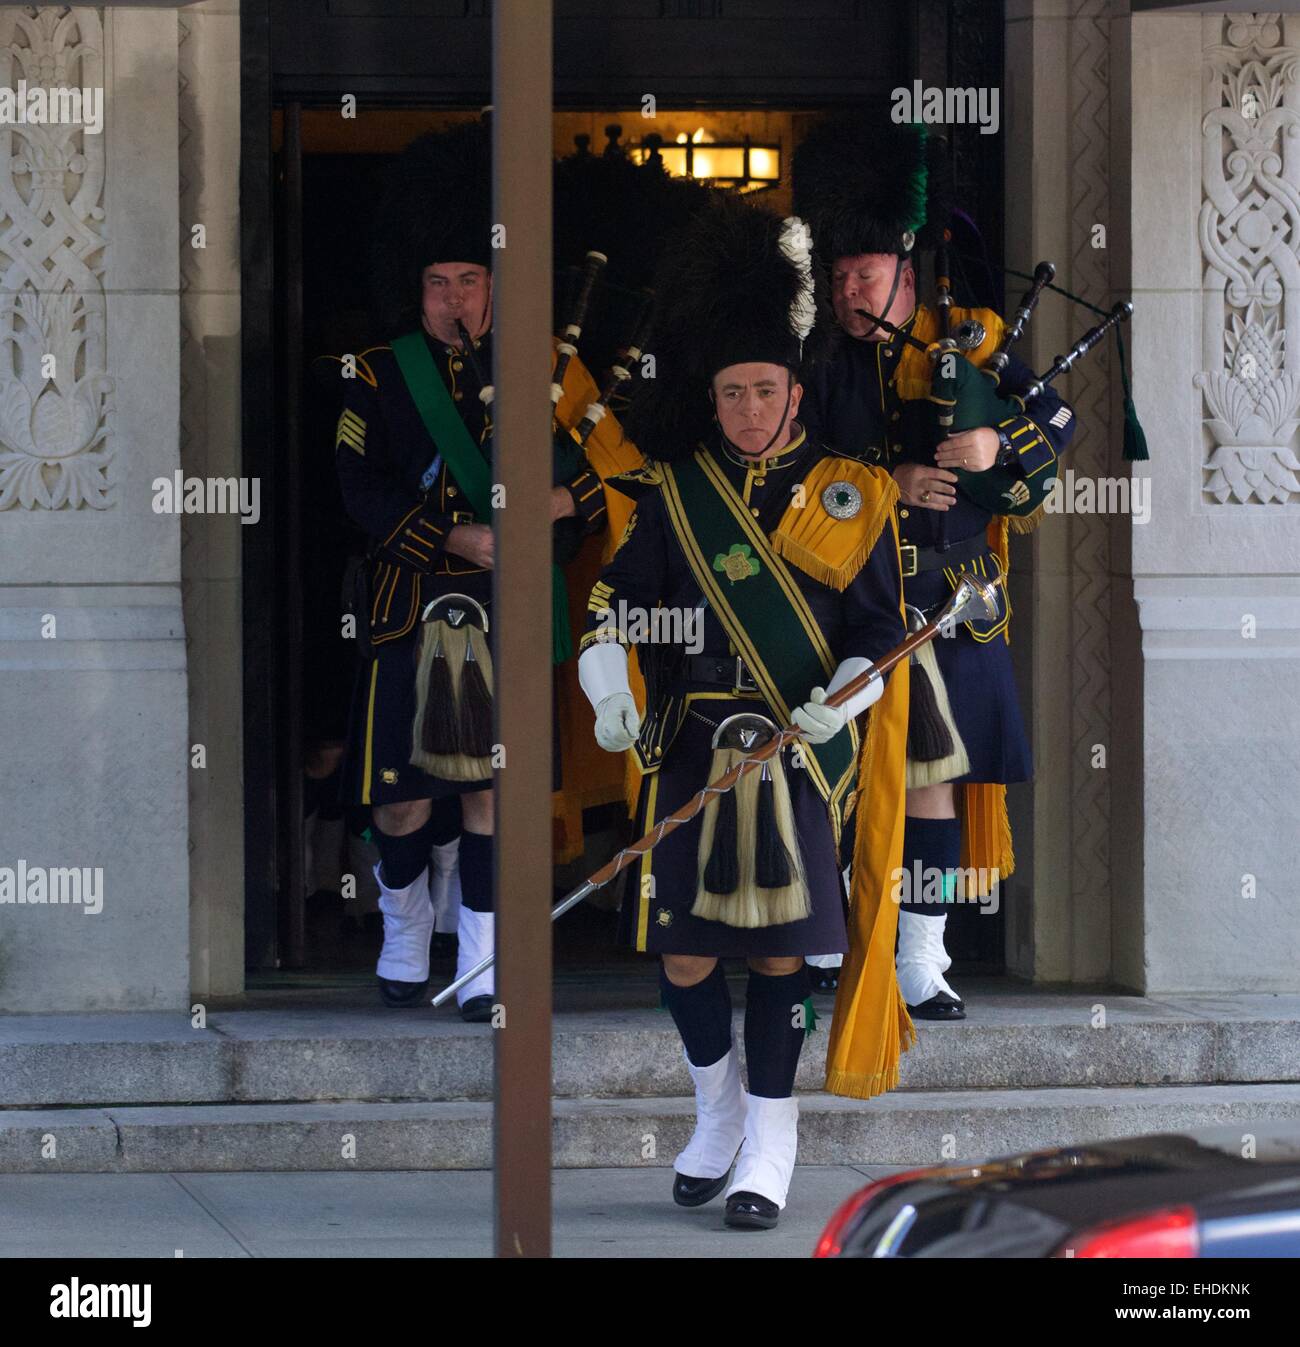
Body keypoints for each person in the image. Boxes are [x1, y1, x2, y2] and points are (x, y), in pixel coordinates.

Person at [577, 195, 908, 1230]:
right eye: (731, 394)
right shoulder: (673, 495)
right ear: (712, 398)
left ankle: (772, 1138)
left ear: (793, 391)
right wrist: (602, 679)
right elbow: (611, 605)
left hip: (798, 755)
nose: (749, 409)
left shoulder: (849, 491)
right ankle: (714, 1111)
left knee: (777, 955)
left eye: (764, 391)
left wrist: (848, 694)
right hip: (689, 744)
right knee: (683, 952)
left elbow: (879, 628)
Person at [334, 121, 622, 1018]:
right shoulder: (377, 376)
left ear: (494, 284)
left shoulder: (542, 373)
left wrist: (551, 510)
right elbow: (358, 489)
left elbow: (599, 481)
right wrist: (456, 540)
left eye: (468, 278)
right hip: (411, 609)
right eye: (437, 281)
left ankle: (484, 965)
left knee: (498, 795)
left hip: (511, 613)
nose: (454, 294)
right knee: (404, 802)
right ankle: (405, 929)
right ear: (414, 288)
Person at [794, 115, 1077, 1019]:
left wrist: (998, 442)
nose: (848, 292)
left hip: (951, 602)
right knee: (831, 777)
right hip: (839, 601)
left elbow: (1060, 431)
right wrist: (890, 481)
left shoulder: (973, 343)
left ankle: (922, 959)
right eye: (837, 278)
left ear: (906, 276)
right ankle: (828, 945)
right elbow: (782, 475)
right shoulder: (811, 361)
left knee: (930, 779)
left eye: (865, 277)